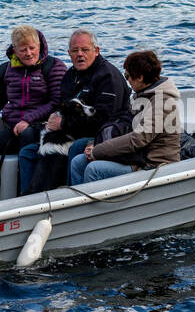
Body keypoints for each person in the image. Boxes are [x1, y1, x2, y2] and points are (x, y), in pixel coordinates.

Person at [19, 28, 132, 194]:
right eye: (75, 50)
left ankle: (68, 195)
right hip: (73, 130)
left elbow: (103, 119)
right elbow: (62, 107)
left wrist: (63, 124)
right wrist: (51, 120)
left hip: (104, 133)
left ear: (96, 51)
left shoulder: (108, 76)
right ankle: (25, 198)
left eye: (85, 50)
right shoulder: (71, 75)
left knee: (75, 148)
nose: (80, 54)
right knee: (27, 152)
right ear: (69, 53)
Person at [0, 26, 67, 190]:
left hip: (42, 129)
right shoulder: (6, 69)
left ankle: (24, 192)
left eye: (32, 48)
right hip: (12, 130)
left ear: (39, 46)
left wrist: (28, 119)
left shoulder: (54, 66)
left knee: (26, 134)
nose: (28, 53)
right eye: (23, 49)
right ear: (14, 50)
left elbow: (58, 102)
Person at [70, 51, 181, 184]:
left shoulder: (161, 103)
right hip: (136, 156)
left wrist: (97, 151)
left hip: (152, 164)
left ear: (139, 77)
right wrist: (96, 144)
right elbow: (123, 126)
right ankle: (76, 200)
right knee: (78, 162)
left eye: (127, 75)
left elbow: (138, 139)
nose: (126, 80)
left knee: (95, 169)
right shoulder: (142, 95)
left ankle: (95, 203)